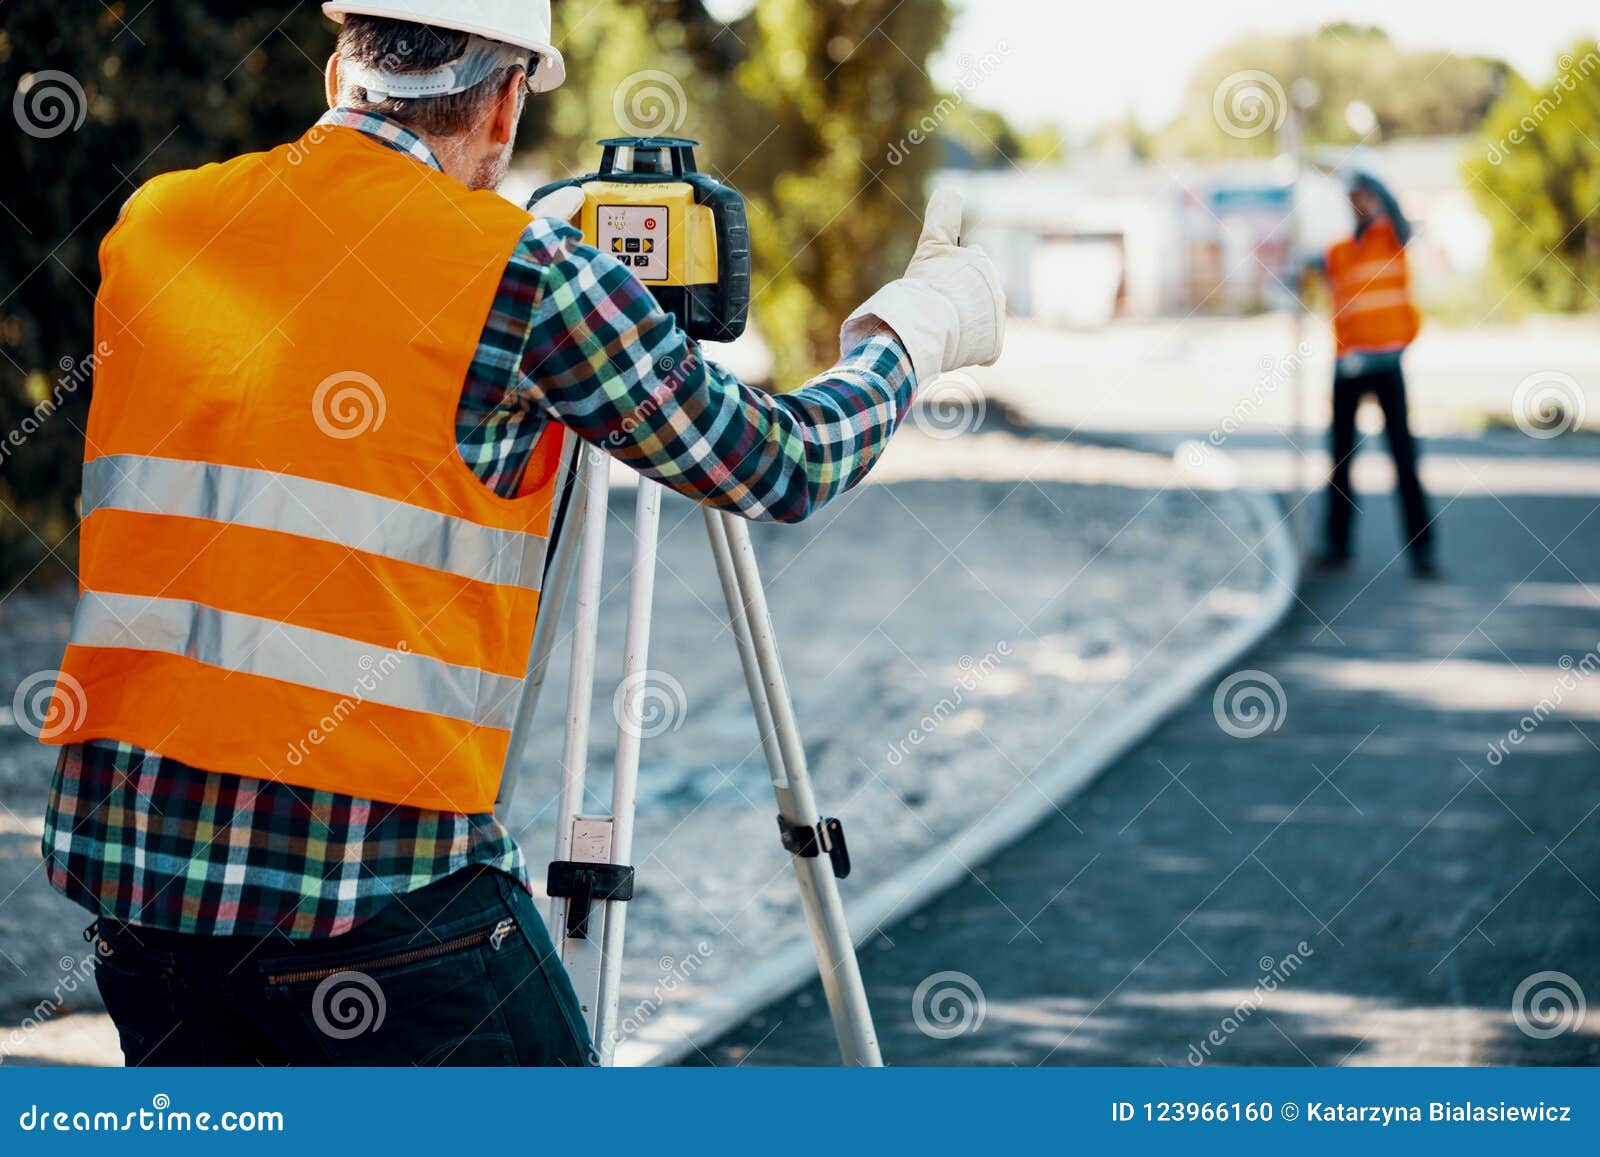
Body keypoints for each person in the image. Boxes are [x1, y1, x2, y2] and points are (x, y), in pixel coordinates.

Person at [39, 0, 1004, 1066]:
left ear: (337, 72)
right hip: (371, 888)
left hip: (134, 882)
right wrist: (911, 333)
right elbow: (780, 464)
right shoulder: (526, 272)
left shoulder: (157, 222)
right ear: (504, 106)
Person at [1314, 169, 1436, 578]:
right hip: (1348, 365)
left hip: (1386, 364)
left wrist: (1357, 169)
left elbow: (1392, 203)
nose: (1361, 203)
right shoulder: (1339, 251)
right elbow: (1308, 273)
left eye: (1366, 195)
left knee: (1404, 457)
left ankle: (1423, 551)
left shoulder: (1393, 237)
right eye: (1355, 196)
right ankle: (1337, 547)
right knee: (1341, 459)